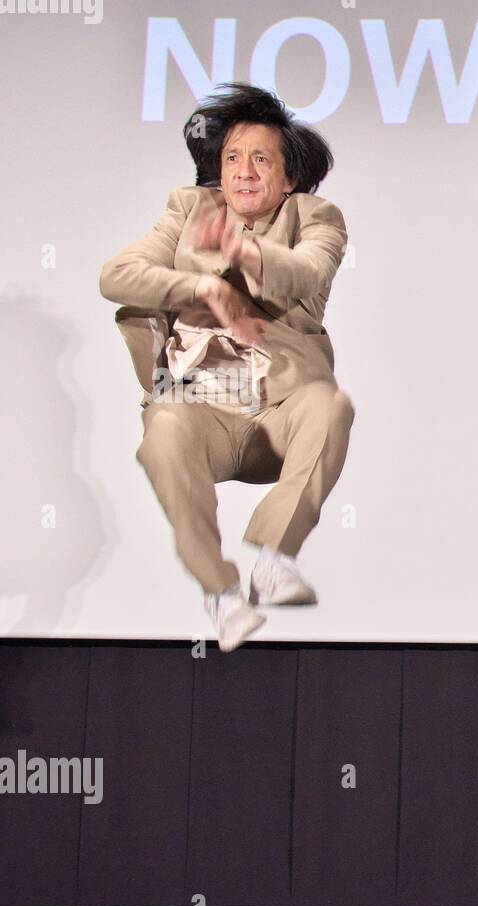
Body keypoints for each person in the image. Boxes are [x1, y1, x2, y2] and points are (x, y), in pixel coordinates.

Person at [100, 82, 354, 651]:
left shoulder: (317, 217)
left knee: (329, 405)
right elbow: (116, 276)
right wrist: (201, 287)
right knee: (163, 431)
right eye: (233, 158)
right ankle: (221, 594)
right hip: (199, 405)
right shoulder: (189, 208)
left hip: (275, 408)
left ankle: (274, 559)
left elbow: (307, 272)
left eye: (261, 159)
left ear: (288, 177)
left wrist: (244, 252)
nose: (243, 172)